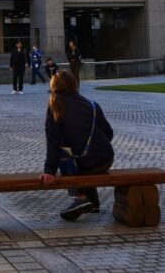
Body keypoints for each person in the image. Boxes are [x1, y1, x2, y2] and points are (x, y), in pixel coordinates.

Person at [40, 70, 115, 221]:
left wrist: (49, 172)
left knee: (67, 154)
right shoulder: (91, 104)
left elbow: (53, 142)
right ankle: (93, 203)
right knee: (80, 156)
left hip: (86, 163)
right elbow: (109, 133)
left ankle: (81, 197)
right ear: (74, 84)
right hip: (106, 159)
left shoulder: (55, 105)